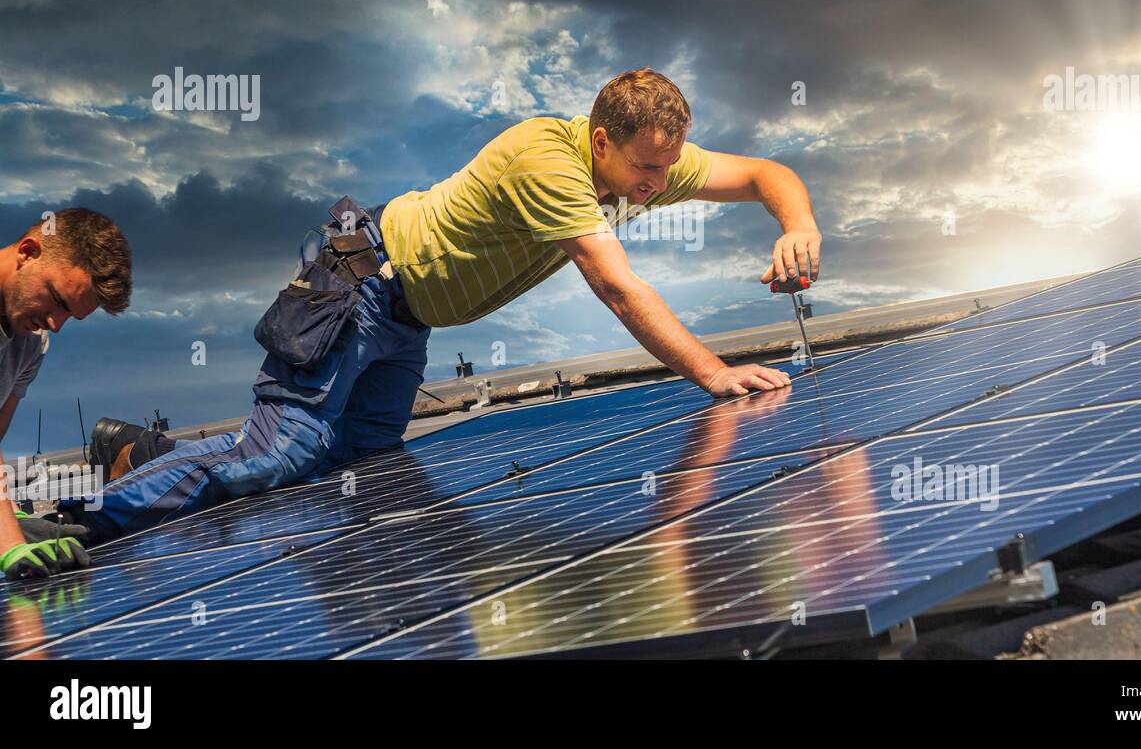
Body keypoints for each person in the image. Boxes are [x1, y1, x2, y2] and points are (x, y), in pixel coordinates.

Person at [69, 68, 822, 542]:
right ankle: (86, 520)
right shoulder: (549, 162)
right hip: (356, 290)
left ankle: (143, 454)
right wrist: (712, 373)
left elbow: (764, 172)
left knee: (359, 462)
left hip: (405, 317)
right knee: (286, 454)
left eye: (667, 167)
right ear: (601, 142)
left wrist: (798, 226)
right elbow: (618, 288)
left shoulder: (649, 155)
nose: (659, 184)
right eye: (646, 169)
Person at [0, 209, 132, 577]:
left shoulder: (31, 343)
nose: (55, 325)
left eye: (71, 315)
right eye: (57, 300)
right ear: (28, 252)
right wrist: (9, 544)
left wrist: (15, 520)